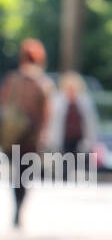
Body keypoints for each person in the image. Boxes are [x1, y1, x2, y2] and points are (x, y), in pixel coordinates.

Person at [0, 38, 54, 228]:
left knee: (16, 174)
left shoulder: (12, 80)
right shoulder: (43, 84)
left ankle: (17, 209)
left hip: (12, 135)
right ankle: (18, 210)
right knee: (25, 175)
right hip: (30, 137)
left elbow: (4, 104)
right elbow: (46, 114)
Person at [46, 71, 99, 161]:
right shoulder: (58, 101)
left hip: (79, 141)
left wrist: (91, 141)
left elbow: (91, 123)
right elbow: (52, 122)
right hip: (62, 140)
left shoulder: (84, 102)